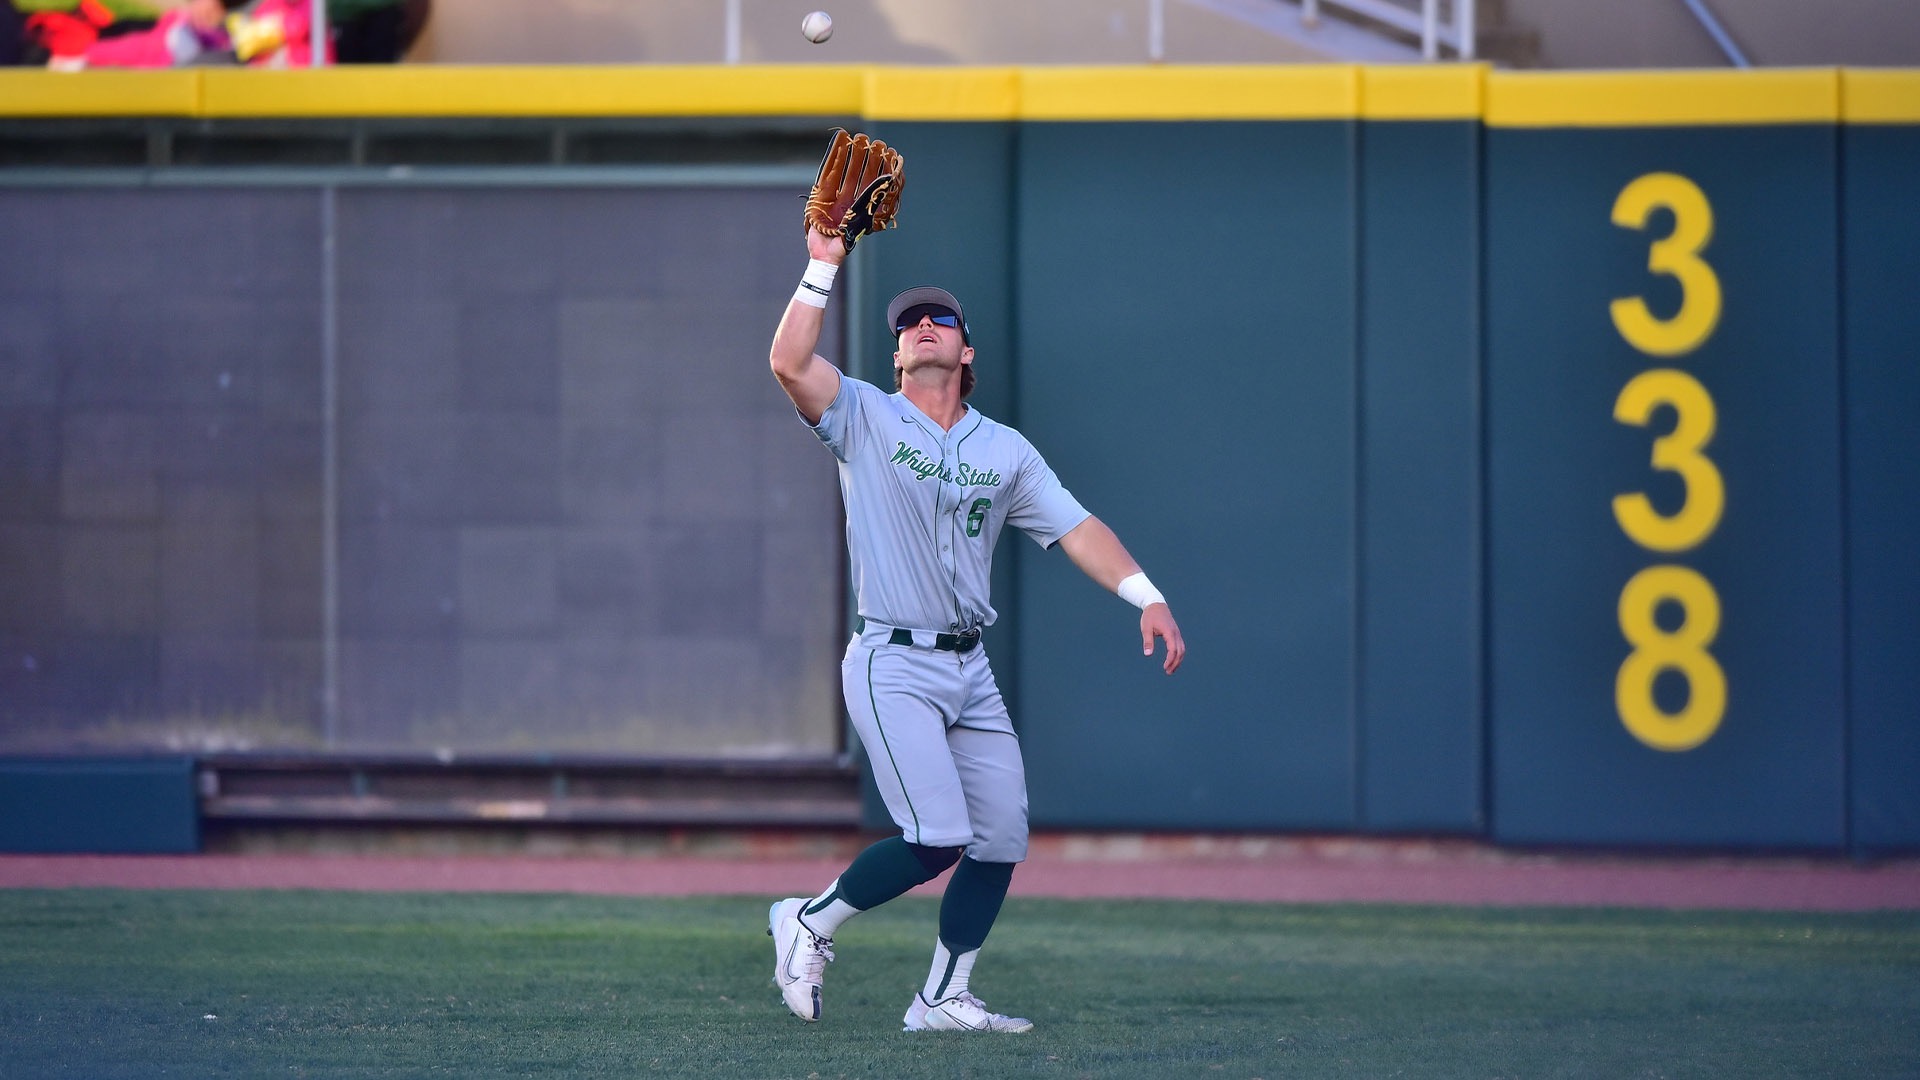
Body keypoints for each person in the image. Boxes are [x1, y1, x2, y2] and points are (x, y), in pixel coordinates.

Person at [765, 224, 1186, 1033]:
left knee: (999, 838)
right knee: (936, 838)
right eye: (907, 324)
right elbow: (788, 362)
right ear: (895, 357)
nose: (922, 327)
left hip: (969, 668)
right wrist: (821, 266)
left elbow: (1076, 528)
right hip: (893, 659)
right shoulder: (863, 415)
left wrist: (1148, 595)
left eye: (940, 321)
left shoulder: (1006, 451)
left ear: (966, 351)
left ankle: (942, 999)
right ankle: (808, 921)